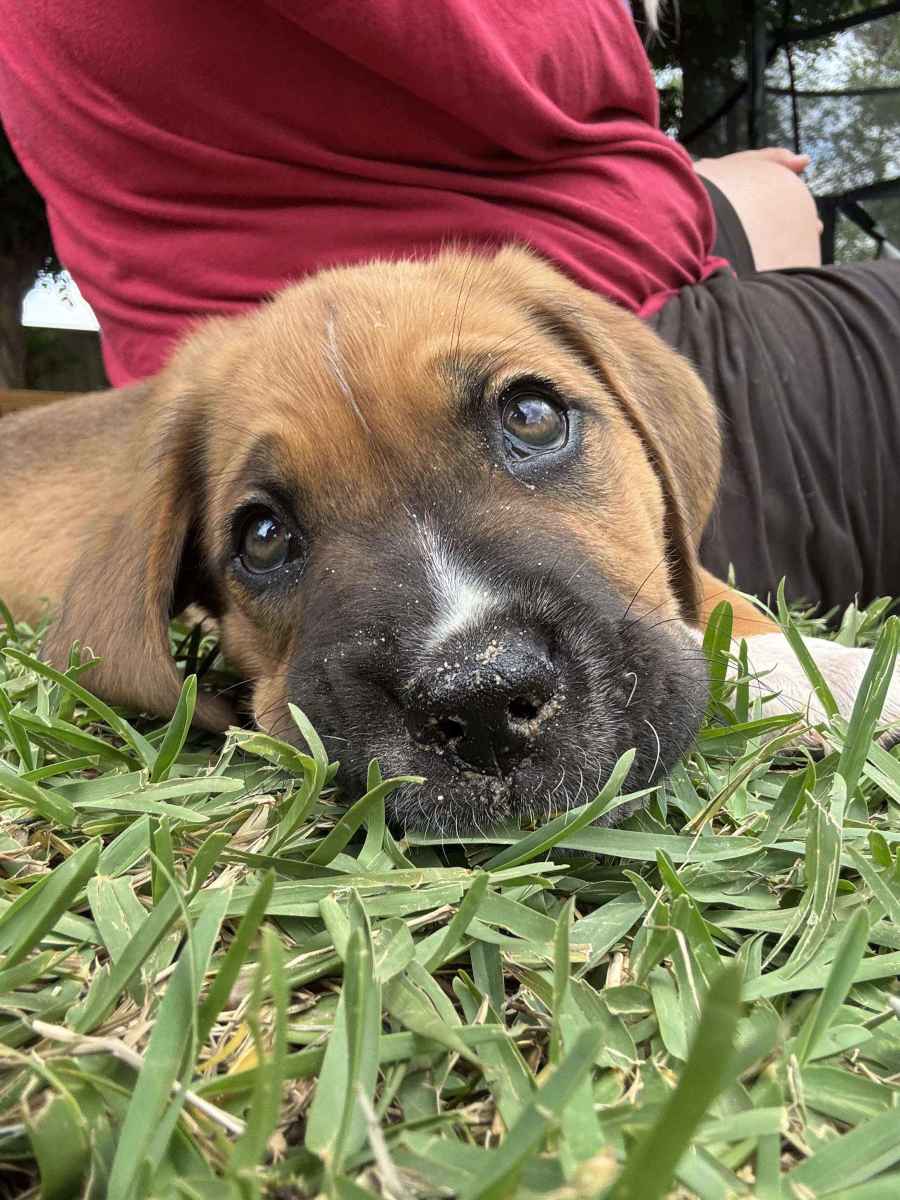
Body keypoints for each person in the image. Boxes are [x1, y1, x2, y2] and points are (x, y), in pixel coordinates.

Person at [1, 0, 898, 612]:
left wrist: (704, 200)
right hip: (578, 301)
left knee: (766, 210)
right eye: (263, 537)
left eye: (532, 422)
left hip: (552, 303)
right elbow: (525, 63)